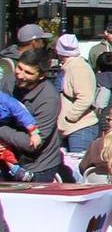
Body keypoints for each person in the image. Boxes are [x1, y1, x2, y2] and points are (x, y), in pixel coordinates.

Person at [2, 47, 66, 182]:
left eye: (28, 73)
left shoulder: (48, 98)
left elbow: (31, 144)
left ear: (41, 76)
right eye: (19, 68)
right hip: (7, 158)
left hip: (38, 166)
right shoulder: (8, 82)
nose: (20, 75)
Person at [55, 32, 99, 155]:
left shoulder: (78, 67)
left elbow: (86, 98)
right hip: (71, 128)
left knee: (78, 165)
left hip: (80, 127)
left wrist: (69, 117)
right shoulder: (71, 66)